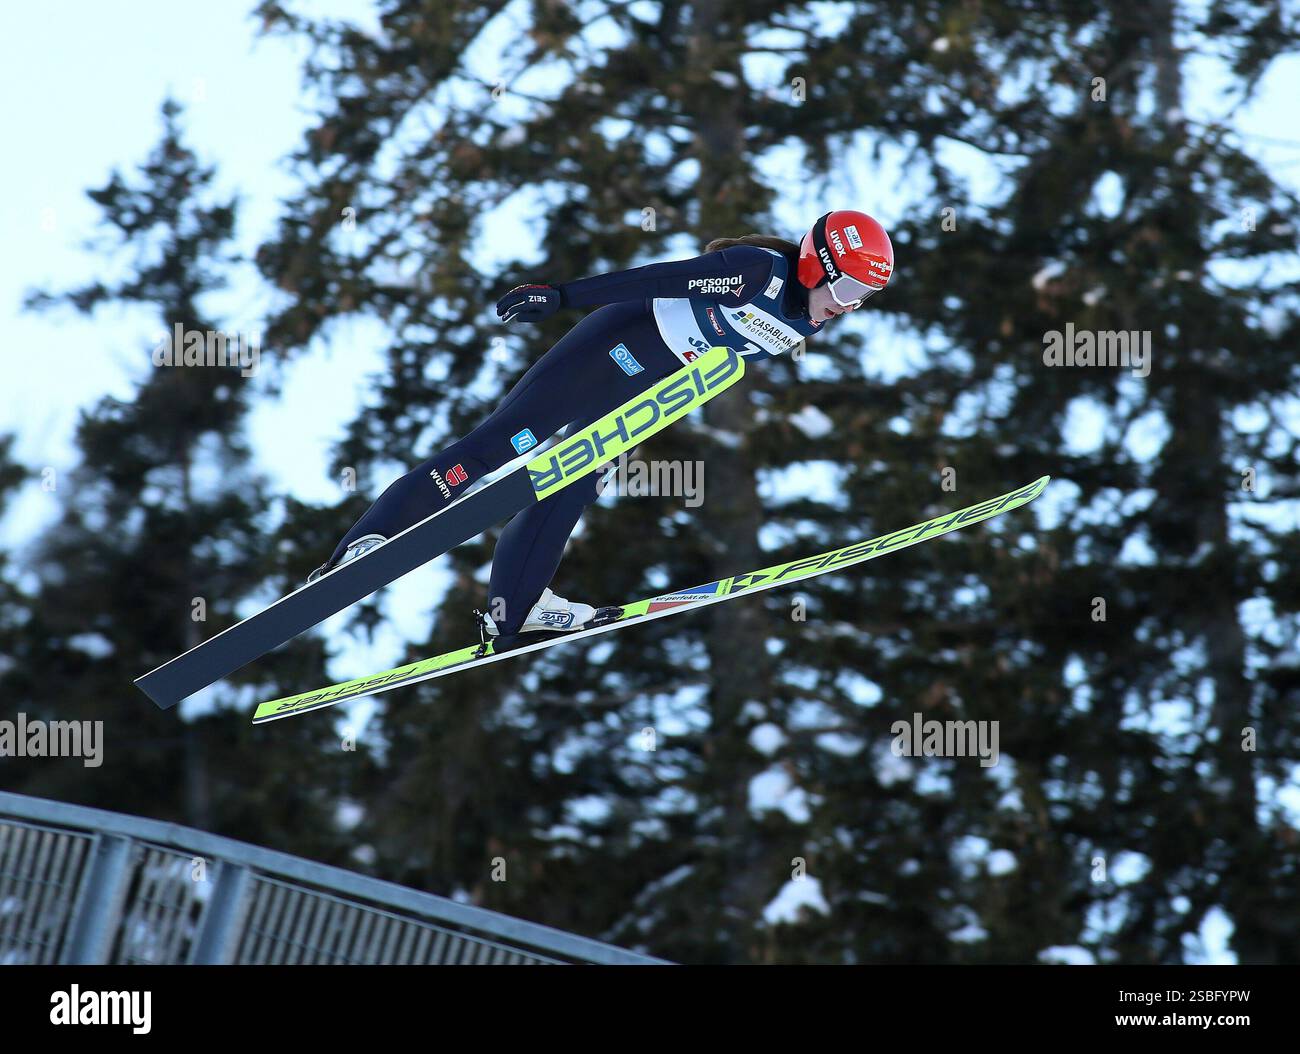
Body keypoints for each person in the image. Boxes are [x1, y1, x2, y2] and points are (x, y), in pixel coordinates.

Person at [310, 210, 894, 641]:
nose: (848, 305)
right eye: (846, 287)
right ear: (817, 263)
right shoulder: (754, 273)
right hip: (609, 353)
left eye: (863, 297)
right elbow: (656, 279)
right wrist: (562, 296)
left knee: (572, 484)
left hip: (642, 392)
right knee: (494, 450)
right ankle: (370, 542)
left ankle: (518, 607)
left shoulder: (809, 321)